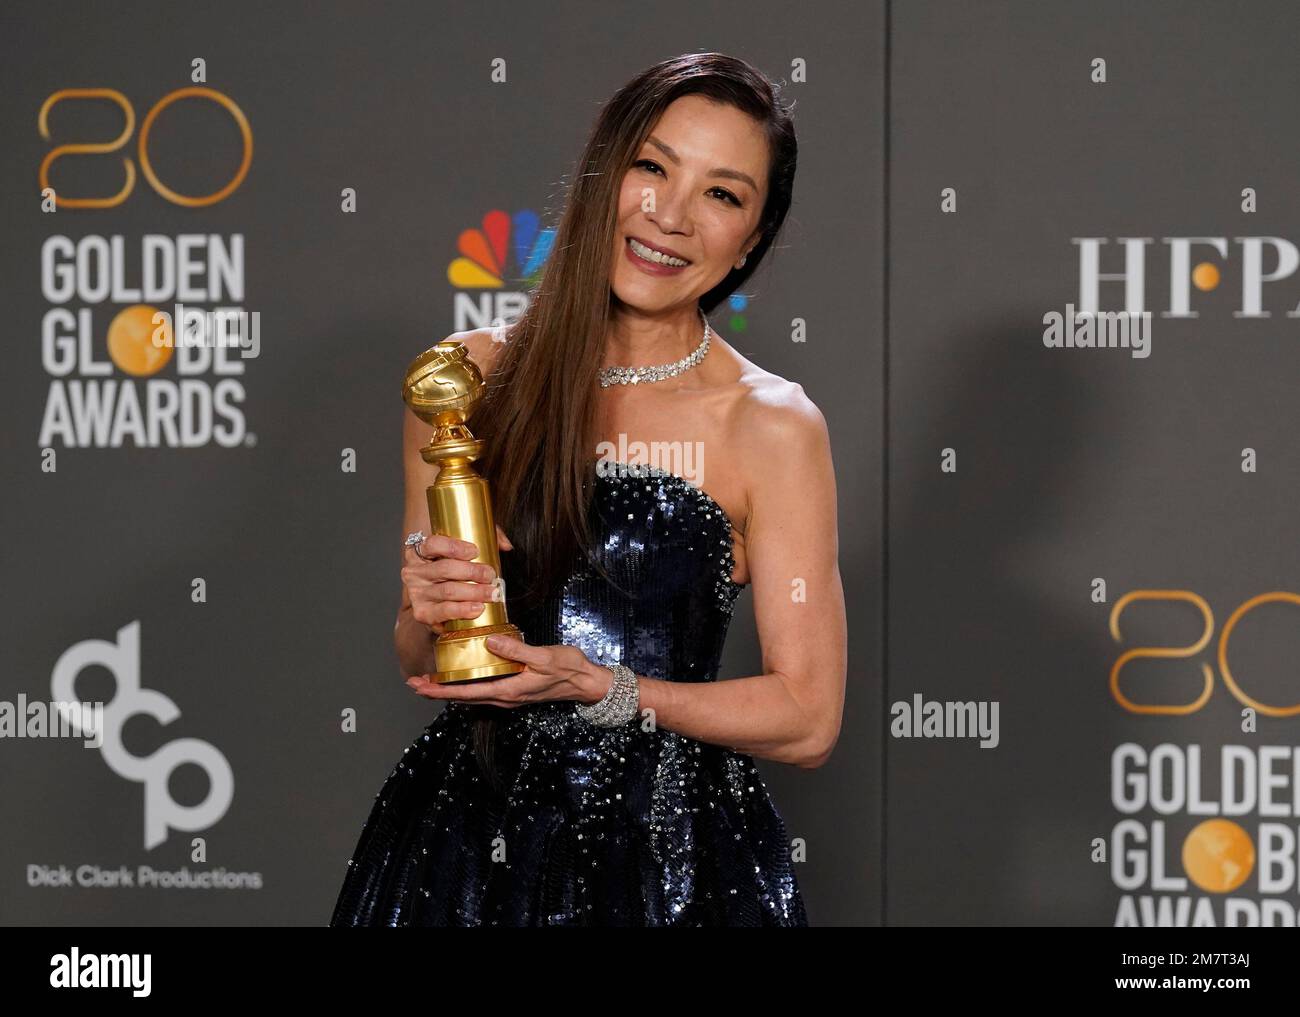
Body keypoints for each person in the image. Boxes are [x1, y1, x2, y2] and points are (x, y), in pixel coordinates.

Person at [330, 52, 846, 927]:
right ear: (606, 174)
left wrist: (607, 689)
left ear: (750, 241)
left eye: (722, 195)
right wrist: (428, 610)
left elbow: (807, 714)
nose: (671, 216)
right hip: (465, 848)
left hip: (672, 862)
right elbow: (427, 658)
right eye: (652, 167)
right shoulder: (465, 381)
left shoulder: (771, 424)